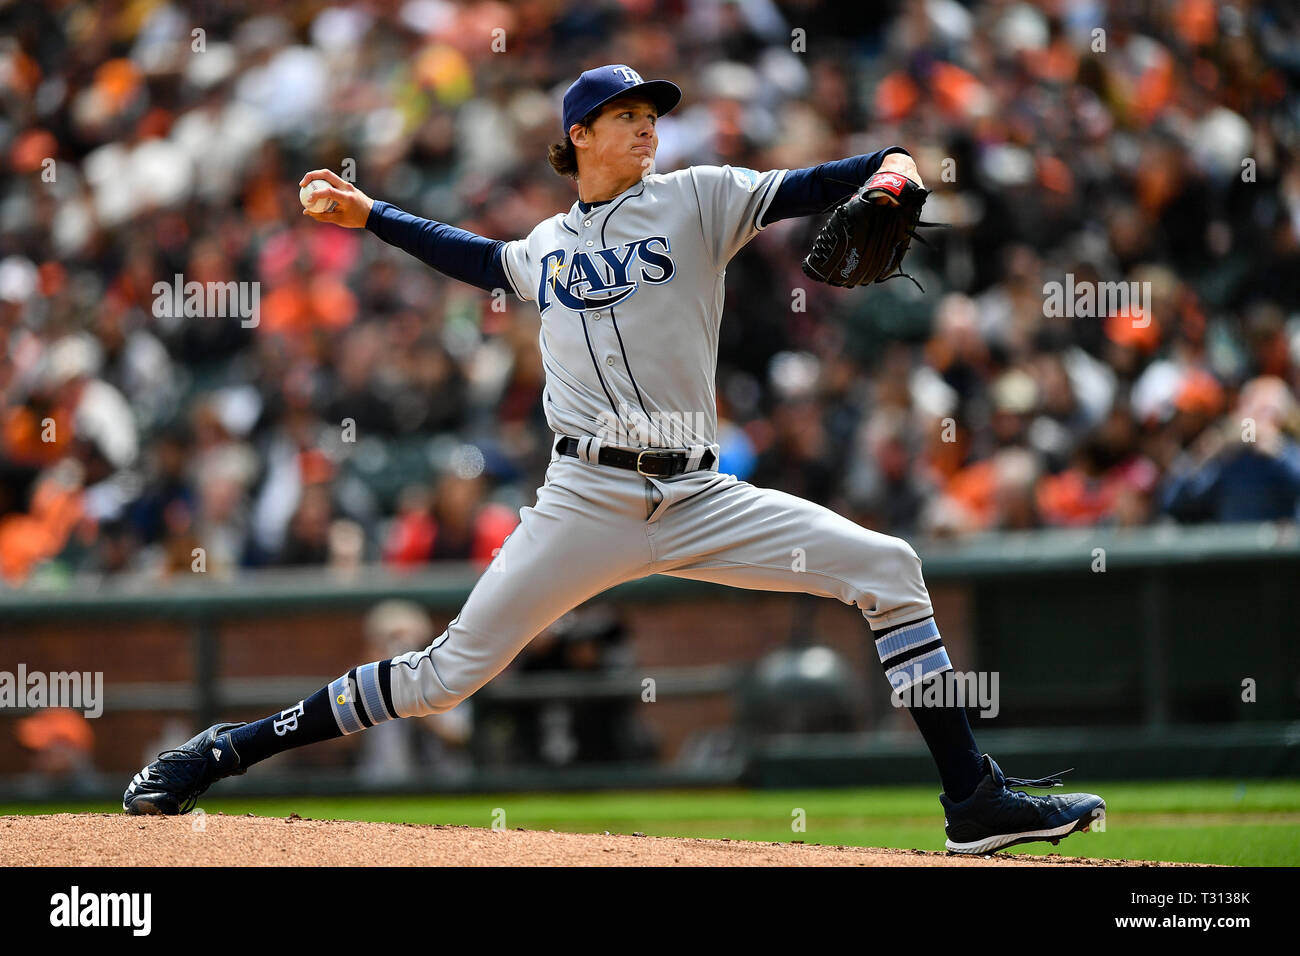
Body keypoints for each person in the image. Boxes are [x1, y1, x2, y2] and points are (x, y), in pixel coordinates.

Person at [124, 65, 1103, 854]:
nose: (644, 127)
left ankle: (970, 798)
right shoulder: (544, 245)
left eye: (651, 114)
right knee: (444, 676)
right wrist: (371, 215)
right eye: (623, 115)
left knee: (889, 567)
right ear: (576, 138)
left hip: (697, 492)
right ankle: (222, 750)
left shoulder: (702, 198)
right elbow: (475, 255)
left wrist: (894, 171)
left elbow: (837, 176)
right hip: (584, 496)